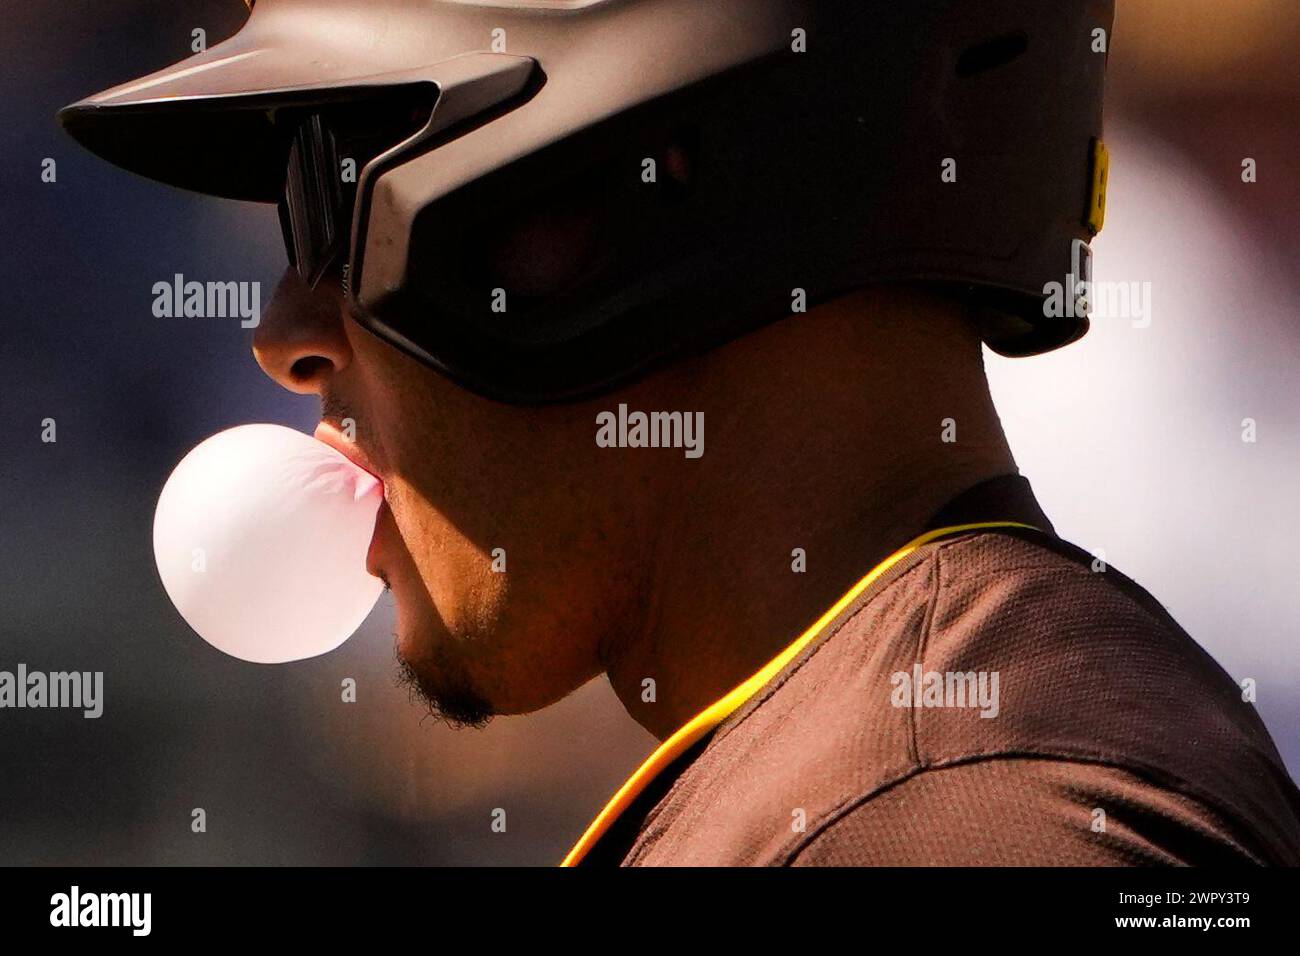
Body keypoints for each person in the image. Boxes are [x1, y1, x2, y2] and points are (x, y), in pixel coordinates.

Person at [61, 0, 1300, 865]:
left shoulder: (966, 826)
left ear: (645, 187)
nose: (284, 334)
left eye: (340, 187)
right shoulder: (904, 773)